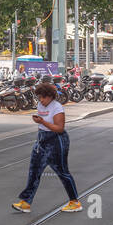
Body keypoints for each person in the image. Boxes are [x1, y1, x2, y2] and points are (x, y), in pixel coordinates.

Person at [12, 82, 82, 214]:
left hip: (57, 141)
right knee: (34, 171)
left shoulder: (57, 107)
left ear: (50, 96)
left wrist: (42, 121)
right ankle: (26, 202)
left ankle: (75, 202)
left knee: (62, 172)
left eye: (43, 98)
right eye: (39, 98)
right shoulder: (40, 105)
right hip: (42, 140)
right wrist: (39, 122)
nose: (41, 101)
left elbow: (59, 128)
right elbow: (42, 124)